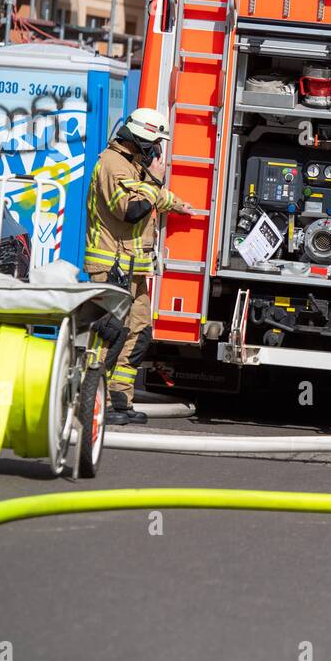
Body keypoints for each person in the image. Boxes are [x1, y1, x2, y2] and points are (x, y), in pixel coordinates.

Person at [84, 107, 191, 424]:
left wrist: (178, 204)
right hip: (111, 268)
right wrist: (156, 182)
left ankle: (119, 402)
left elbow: (152, 197)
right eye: (155, 142)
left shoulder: (131, 166)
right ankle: (91, 401)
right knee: (111, 336)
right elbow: (130, 209)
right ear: (142, 138)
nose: (156, 149)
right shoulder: (112, 164)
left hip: (133, 270)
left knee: (139, 333)